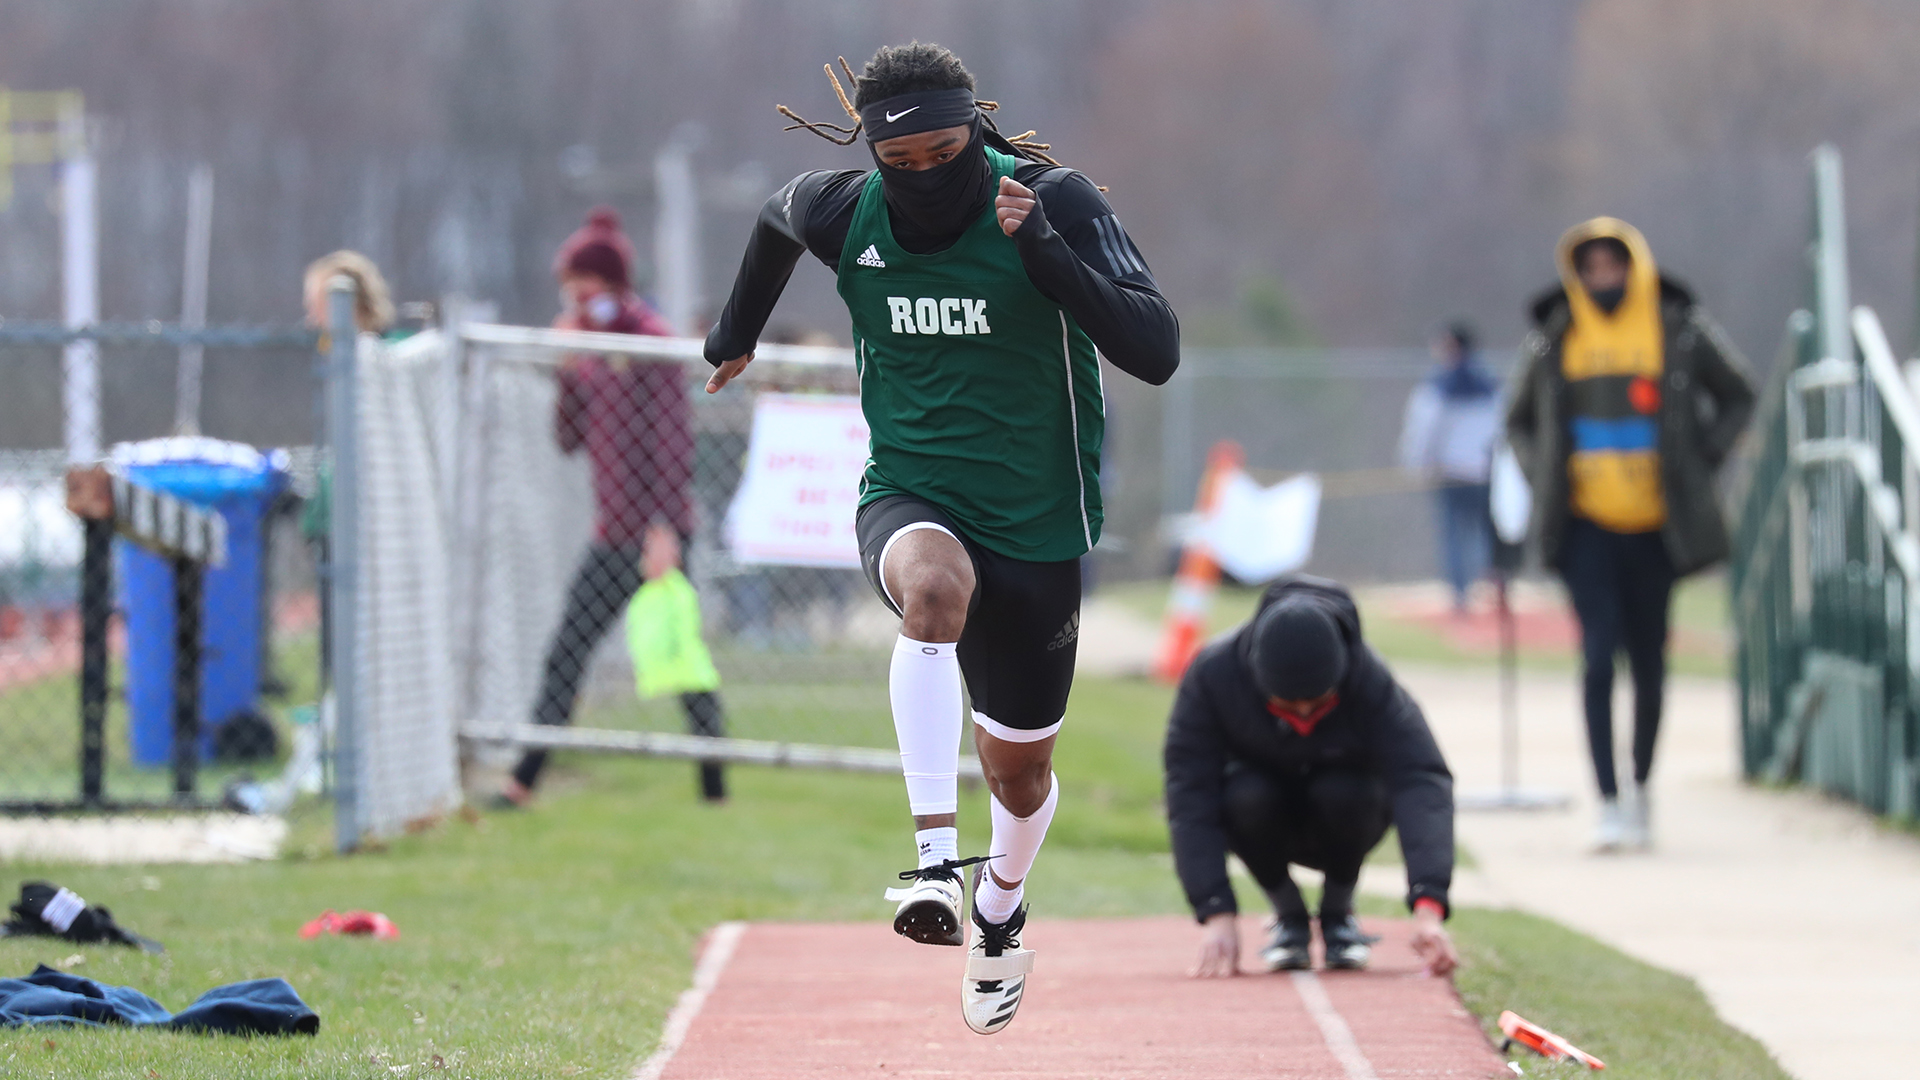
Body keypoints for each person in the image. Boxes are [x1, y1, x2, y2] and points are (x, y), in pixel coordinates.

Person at [703, 42, 1178, 1034]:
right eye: (901, 162)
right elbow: (773, 218)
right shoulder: (847, 211)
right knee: (931, 591)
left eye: (944, 153)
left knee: (1022, 772)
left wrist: (1045, 252)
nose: (923, 177)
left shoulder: (1055, 200)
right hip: (911, 492)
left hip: (1040, 523)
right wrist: (735, 332)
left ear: (976, 130)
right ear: (874, 157)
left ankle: (999, 909)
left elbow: (1155, 348)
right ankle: (930, 864)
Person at [1505, 218, 1754, 851]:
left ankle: (1642, 787)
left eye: (1612, 267)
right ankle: (1608, 801)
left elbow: (1739, 394)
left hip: (1656, 528)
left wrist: (1703, 458)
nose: (1601, 279)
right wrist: (1544, 480)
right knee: (1596, 658)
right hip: (1585, 524)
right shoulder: (1556, 334)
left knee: (1649, 662)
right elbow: (1519, 420)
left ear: (1633, 266)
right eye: (1589, 269)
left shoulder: (1676, 326)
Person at [497, 208, 731, 808]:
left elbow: (670, 441)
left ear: (612, 285)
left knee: (679, 657)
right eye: (570, 287)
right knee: (567, 649)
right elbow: (570, 439)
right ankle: (524, 778)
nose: (575, 297)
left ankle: (713, 779)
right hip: (612, 532)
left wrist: (663, 531)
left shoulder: (648, 342)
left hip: (656, 531)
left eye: (585, 286)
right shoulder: (594, 346)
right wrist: (569, 374)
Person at [1165, 574, 1459, 978]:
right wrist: (1215, 908)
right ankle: (1288, 914)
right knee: (1245, 793)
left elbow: (1422, 779)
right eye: (1288, 706)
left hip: (1347, 811)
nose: (1304, 718)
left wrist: (1429, 904)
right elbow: (1189, 791)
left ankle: (1339, 913)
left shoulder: (1369, 679)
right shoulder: (1213, 675)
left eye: (1317, 704)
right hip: (1259, 814)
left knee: (1346, 791)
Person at [1398, 321, 1502, 614]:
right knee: (1486, 532)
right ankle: (1495, 586)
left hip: (1453, 474)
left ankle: (1461, 596)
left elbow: (1423, 432)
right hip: (1484, 471)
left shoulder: (1438, 387)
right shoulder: (1491, 383)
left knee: (1455, 535)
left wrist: (1416, 465)